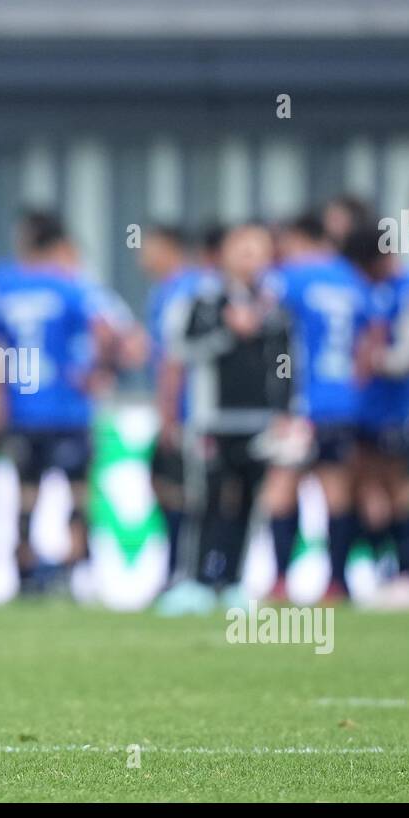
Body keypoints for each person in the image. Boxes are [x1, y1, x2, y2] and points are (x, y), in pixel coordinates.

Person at [158, 224, 289, 614]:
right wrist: (228, 332)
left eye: (258, 250)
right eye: (243, 249)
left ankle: (233, 581)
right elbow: (178, 353)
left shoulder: (274, 305)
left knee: (250, 502)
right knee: (209, 500)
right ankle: (194, 579)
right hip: (213, 419)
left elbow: (285, 363)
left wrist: (286, 410)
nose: (251, 258)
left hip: (259, 420)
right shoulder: (202, 301)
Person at [0, 213, 113, 594]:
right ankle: (77, 571)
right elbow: (107, 331)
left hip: (24, 408)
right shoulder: (71, 287)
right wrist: (96, 371)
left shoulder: (4, 285)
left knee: (27, 492)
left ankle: (25, 573)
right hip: (69, 408)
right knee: (78, 490)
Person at [261, 213, 371, 604]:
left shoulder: (289, 277)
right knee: (337, 491)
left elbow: (261, 316)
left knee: (281, 488)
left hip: (300, 402)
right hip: (344, 403)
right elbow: (368, 342)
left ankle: (279, 582)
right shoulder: (353, 280)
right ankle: (337, 583)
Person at [342, 224, 409, 592]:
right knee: (363, 488)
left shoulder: (407, 291)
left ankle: (408, 573)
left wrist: (377, 361)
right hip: (361, 409)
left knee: (399, 489)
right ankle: (383, 570)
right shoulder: (361, 290)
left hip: (398, 408)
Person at [142, 225, 211, 583]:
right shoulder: (179, 289)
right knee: (176, 489)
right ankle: (183, 571)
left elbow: (173, 360)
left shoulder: (178, 292)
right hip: (199, 410)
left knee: (178, 490)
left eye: (149, 247)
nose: (142, 256)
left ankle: (183, 572)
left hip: (190, 411)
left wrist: (167, 412)